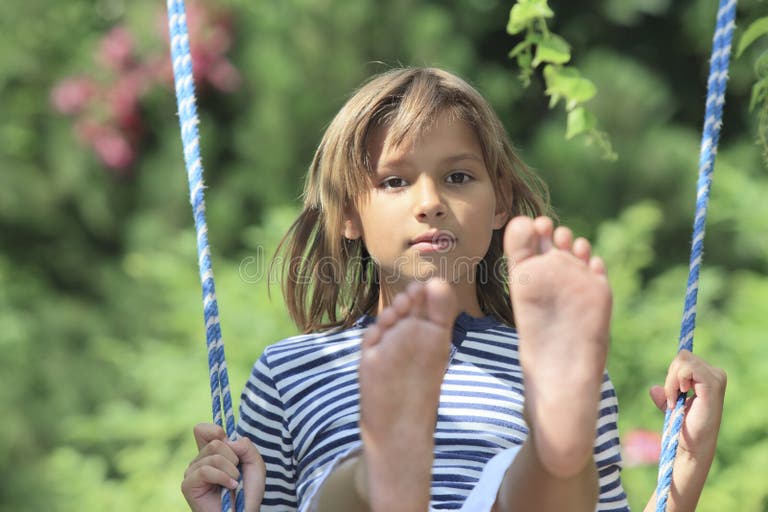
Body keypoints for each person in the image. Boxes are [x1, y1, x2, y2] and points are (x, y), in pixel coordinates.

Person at [181, 67, 727, 512]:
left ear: (501, 202)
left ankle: (552, 452)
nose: (430, 201)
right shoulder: (292, 370)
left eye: (458, 177)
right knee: (349, 496)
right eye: (395, 181)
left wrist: (685, 473)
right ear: (348, 213)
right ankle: (383, 472)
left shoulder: (556, 364)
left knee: (518, 483)